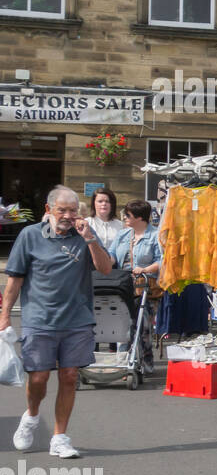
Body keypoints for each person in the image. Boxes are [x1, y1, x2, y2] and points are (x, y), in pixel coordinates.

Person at [2, 185, 115, 458]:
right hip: (39, 319)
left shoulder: (85, 235)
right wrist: (4, 315)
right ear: (48, 210)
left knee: (69, 376)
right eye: (62, 210)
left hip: (77, 320)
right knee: (38, 377)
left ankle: (59, 437)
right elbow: (15, 279)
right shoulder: (30, 236)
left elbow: (106, 268)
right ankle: (31, 416)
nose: (67, 215)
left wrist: (90, 239)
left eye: (73, 210)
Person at [110, 200, 163, 374]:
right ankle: (123, 364)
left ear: (139, 218)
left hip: (145, 286)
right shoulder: (123, 235)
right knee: (122, 326)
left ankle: (146, 363)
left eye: (128, 215)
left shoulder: (156, 235)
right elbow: (111, 255)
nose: (124, 218)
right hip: (123, 286)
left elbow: (163, 260)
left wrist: (145, 269)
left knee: (143, 327)